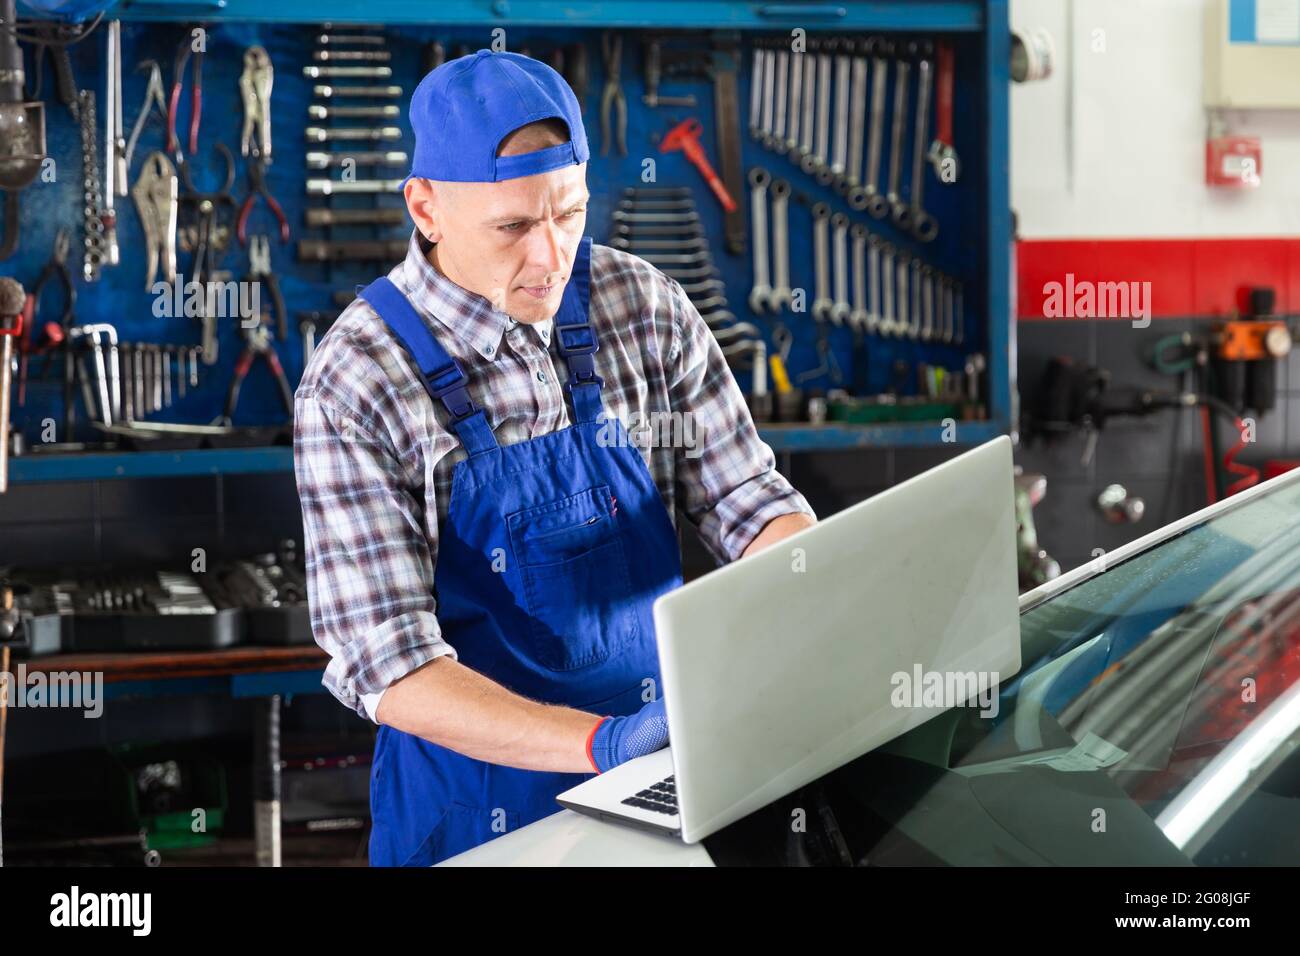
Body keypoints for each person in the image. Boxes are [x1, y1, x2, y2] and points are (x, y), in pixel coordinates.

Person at [293, 49, 817, 866]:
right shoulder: (356, 381)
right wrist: (607, 747)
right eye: (512, 227)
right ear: (425, 207)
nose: (550, 257)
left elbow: (747, 497)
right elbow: (393, 667)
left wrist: (816, 599)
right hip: (474, 810)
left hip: (669, 781)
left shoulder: (638, 304)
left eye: (568, 213)